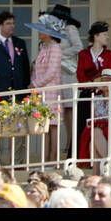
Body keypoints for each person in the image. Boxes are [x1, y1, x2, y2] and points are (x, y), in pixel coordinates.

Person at [25, 13, 67, 162]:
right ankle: (45, 158)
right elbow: (37, 69)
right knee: (44, 125)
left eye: (42, 29)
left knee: (53, 125)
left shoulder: (55, 48)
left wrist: (35, 84)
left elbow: (51, 72)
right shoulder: (44, 47)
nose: (39, 32)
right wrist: (34, 83)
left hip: (51, 90)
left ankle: (53, 158)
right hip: (41, 91)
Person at [76, 20, 111, 139]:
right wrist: (90, 84)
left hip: (102, 95)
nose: (107, 37)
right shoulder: (84, 54)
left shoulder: (109, 54)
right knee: (82, 127)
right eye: (104, 34)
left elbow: (110, 74)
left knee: (100, 127)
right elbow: (80, 74)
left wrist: (100, 85)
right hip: (87, 94)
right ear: (96, 36)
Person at [79, 69, 111, 164]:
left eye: (108, 80)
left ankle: (104, 167)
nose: (105, 83)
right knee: (94, 139)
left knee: (95, 139)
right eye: (103, 80)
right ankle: (105, 167)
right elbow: (92, 120)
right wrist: (98, 124)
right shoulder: (95, 99)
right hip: (100, 133)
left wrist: (103, 123)